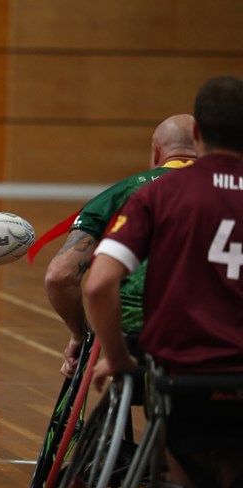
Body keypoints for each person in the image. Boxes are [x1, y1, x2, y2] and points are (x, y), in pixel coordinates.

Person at [84, 75, 243, 488]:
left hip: (181, 375)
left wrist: (116, 357)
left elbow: (96, 282)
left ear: (196, 133)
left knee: (191, 463)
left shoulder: (158, 194)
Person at [45, 114, 197, 378]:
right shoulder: (230, 193)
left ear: (156, 152)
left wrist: (81, 334)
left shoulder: (125, 193)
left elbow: (60, 275)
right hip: (221, 333)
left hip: (140, 334)